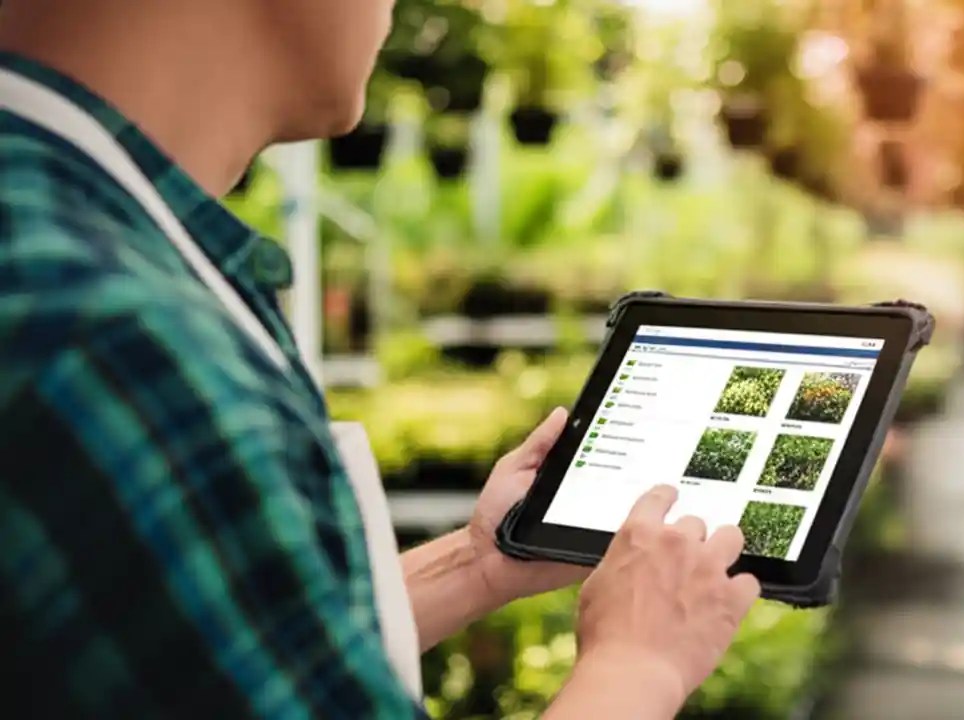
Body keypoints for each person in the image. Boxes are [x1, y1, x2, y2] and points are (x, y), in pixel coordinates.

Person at [0, 1, 761, 718]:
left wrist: (473, 564)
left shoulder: (52, 238)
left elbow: (183, 636)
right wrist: (636, 666)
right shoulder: (117, 340)